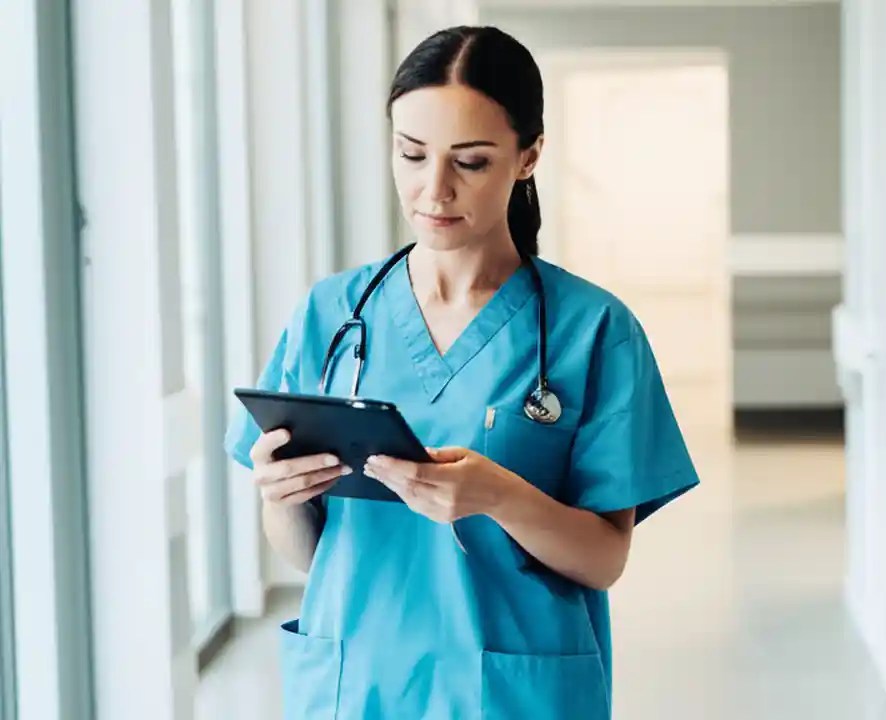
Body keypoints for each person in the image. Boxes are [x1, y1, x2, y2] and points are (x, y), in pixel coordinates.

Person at [223, 25, 699, 720]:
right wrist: (280, 496)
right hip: (357, 685)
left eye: (470, 162)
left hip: (512, 694)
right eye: (411, 153)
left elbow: (603, 560)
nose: (434, 189)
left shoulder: (593, 330)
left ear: (528, 156)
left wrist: (498, 496)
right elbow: (313, 555)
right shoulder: (332, 314)